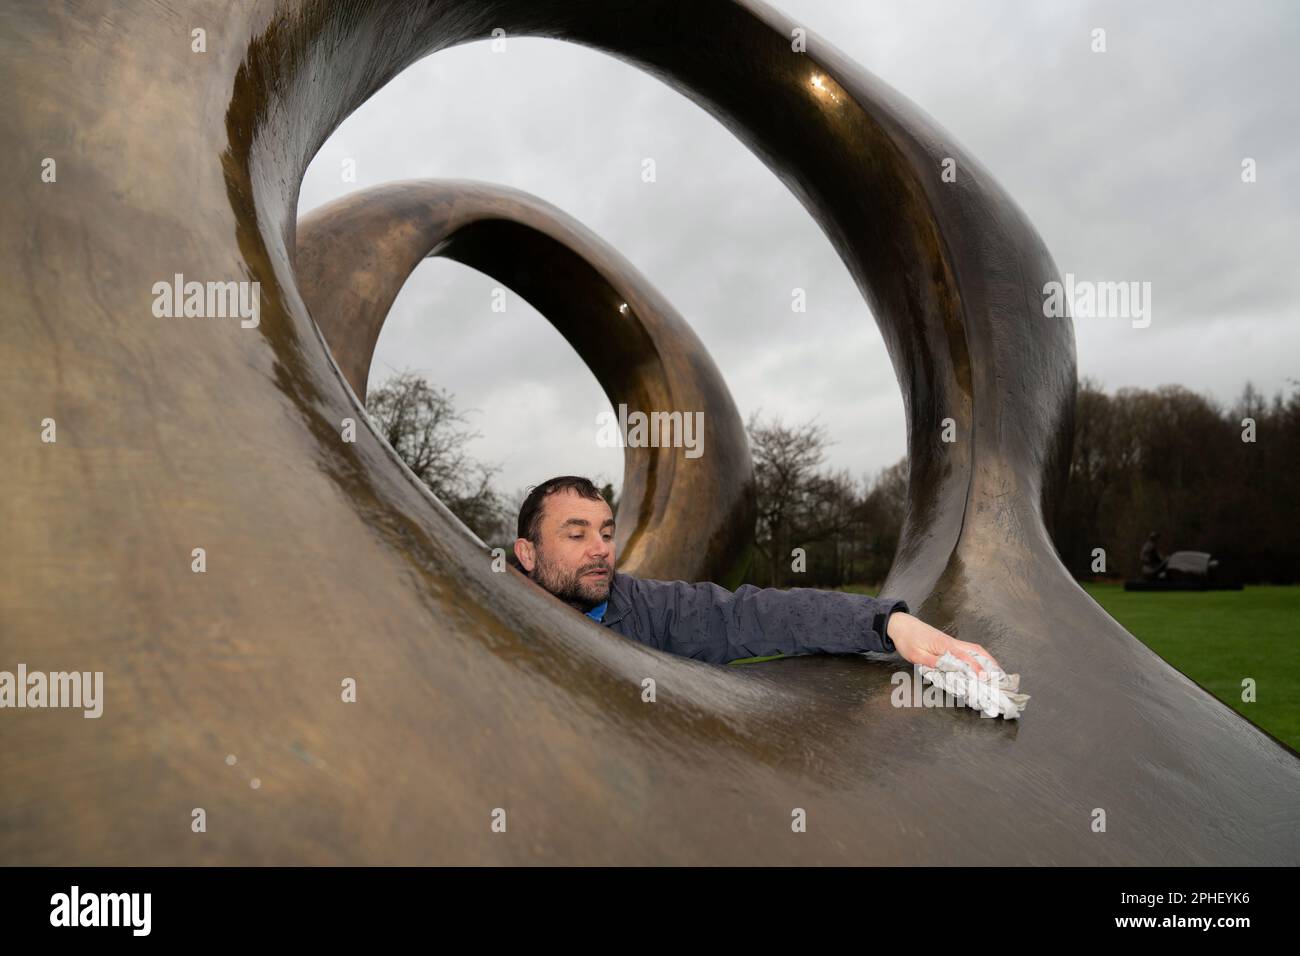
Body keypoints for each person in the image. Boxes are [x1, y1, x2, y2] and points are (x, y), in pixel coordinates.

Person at [509, 475, 1001, 675]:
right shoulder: (494, 616)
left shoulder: (647, 609)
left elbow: (757, 614)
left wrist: (889, 625)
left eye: (607, 532)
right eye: (576, 535)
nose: (600, 550)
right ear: (527, 554)